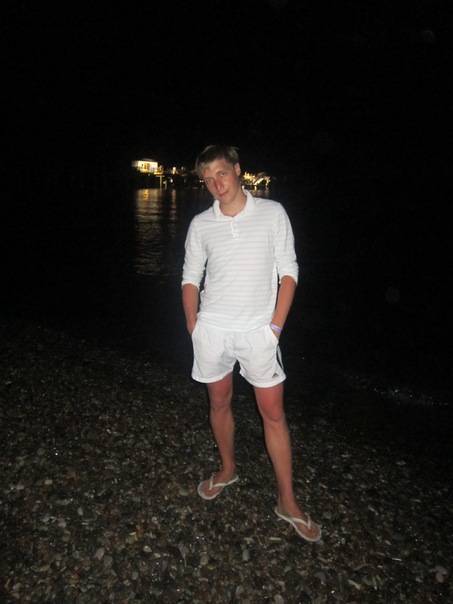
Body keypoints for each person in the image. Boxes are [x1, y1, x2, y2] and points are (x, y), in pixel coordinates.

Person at [181, 145, 321, 542]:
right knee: (219, 402)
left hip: (259, 333)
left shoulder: (272, 213)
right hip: (212, 331)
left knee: (273, 413)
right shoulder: (200, 224)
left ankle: (287, 500)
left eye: (221, 173)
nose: (216, 184)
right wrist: (193, 324)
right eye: (208, 179)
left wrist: (275, 328)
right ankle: (228, 469)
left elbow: (289, 271)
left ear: (238, 170)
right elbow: (190, 275)